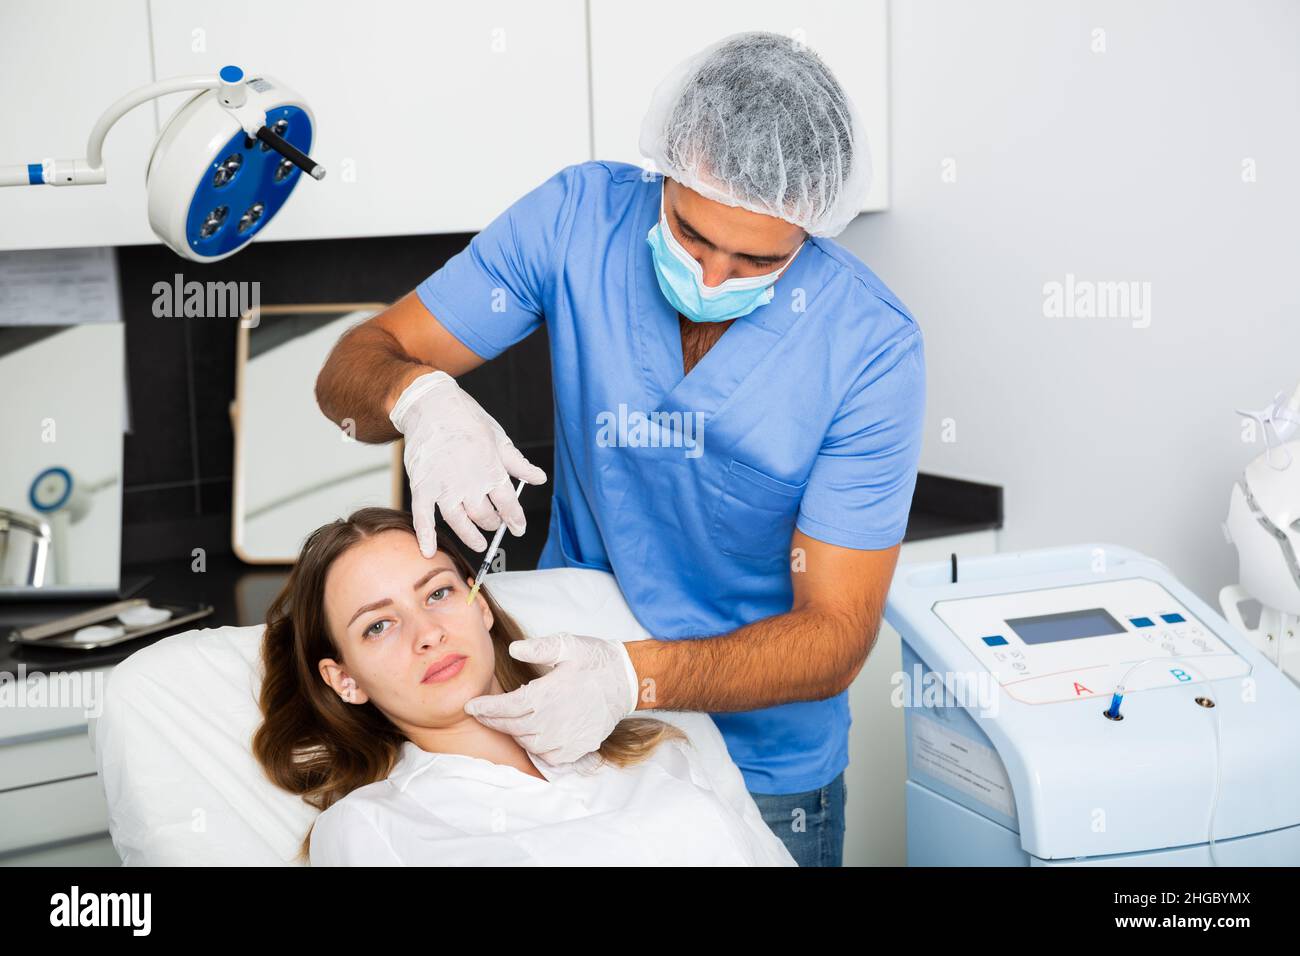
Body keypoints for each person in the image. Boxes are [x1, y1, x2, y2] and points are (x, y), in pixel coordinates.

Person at [315, 31, 925, 866]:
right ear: (666, 171)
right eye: (690, 235)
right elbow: (354, 365)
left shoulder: (869, 347)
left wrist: (627, 678)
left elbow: (836, 634)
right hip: (565, 730)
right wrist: (420, 400)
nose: (711, 279)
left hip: (766, 761)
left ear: (811, 229)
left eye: (756, 259)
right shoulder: (578, 222)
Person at [252, 506, 796, 866]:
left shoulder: (655, 748)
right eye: (378, 625)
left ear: (480, 605)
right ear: (345, 680)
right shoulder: (370, 829)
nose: (428, 634)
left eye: (437, 594)